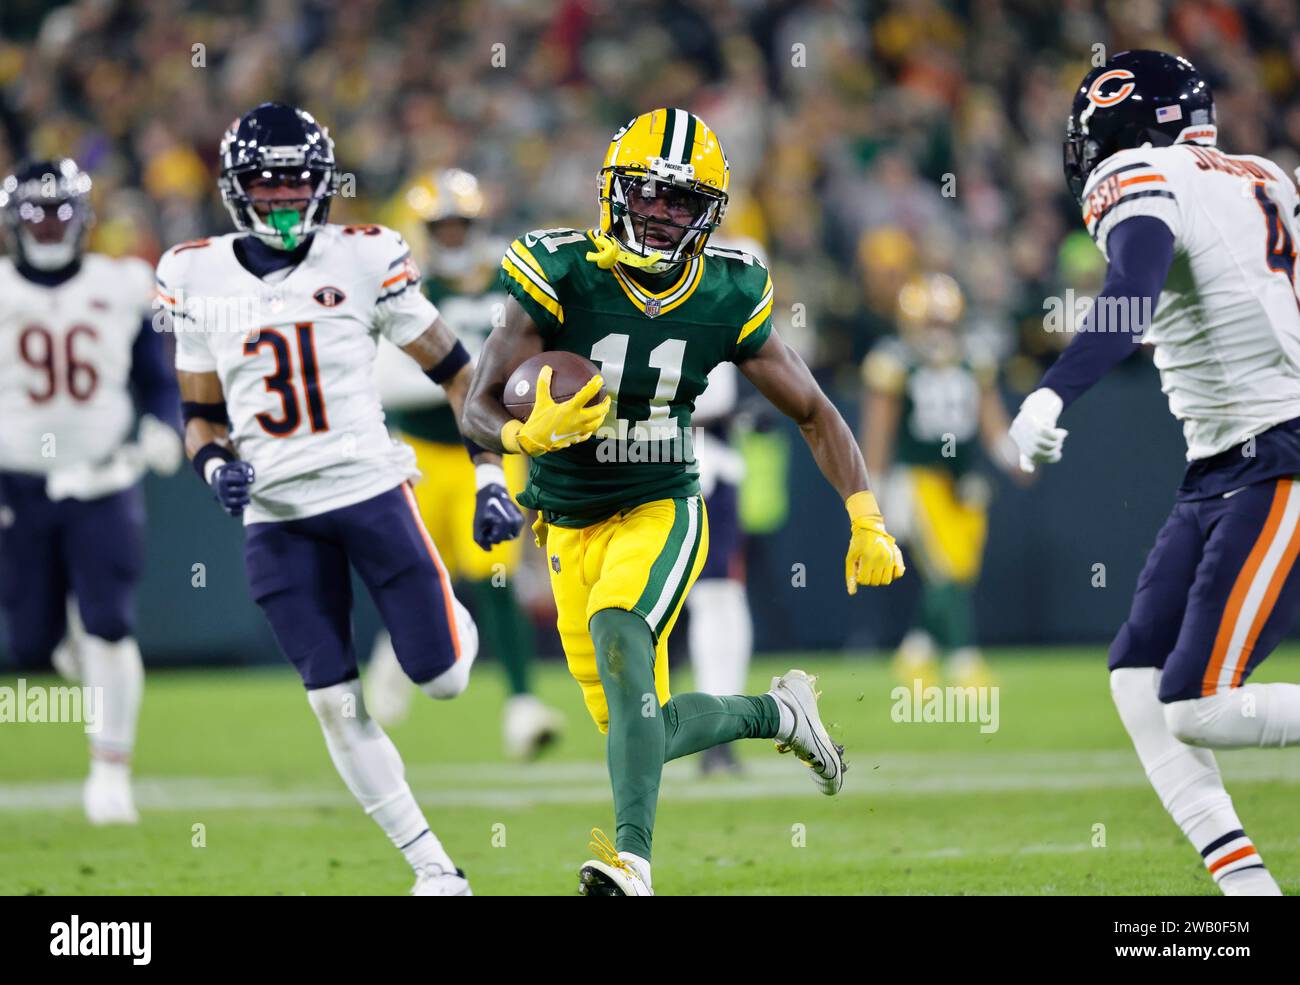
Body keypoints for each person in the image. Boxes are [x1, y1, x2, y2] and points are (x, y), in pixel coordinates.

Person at [461, 108, 905, 895]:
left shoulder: (730, 289)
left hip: (660, 502)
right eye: (650, 193)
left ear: (709, 213)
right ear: (614, 189)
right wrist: (524, 441)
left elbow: (814, 411)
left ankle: (632, 862)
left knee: (622, 630)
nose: (663, 213)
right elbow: (479, 403)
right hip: (566, 521)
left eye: (682, 200)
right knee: (641, 729)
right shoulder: (560, 271)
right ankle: (780, 715)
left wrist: (864, 512)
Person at [161, 103, 518, 895]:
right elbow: (198, 419)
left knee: (445, 679)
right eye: (267, 182)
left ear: (324, 186)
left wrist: (491, 474)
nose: (285, 198)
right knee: (332, 700)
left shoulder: (366, 256)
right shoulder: (193, 272)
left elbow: (460, 373)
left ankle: (448, 620)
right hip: (277, 517)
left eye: (299, 183)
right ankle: (433, 866)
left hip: (370, 491)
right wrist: (215, 466)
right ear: (235, 187)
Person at [1010, 51, 1300, 896]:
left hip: (1276, 447)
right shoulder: (1259, 173)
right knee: (1138, 671)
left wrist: (1056, 392)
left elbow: (1133, 287)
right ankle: (1248, 893)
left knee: (1199, 700)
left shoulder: (1142, 173)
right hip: (1226, 457)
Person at [0, 158, 183, 825]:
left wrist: (166, 424)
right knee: (31, 642)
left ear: (81, 219)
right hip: (17, 482)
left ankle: (110, 771)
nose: (47, 225)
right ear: (14, 222)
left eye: (58, 212)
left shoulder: (121, 283)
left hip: (103, 475)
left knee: (109, 622)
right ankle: (79, 657)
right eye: (35, 213)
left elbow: (156, 377)